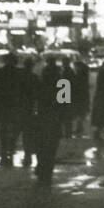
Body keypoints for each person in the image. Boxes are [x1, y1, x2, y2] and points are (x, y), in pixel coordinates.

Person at [34, 56, 66, 186]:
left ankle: (42, 167)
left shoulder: (41, 81)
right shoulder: (63, 82)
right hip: (55, 117)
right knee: (52, 146)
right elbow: (65, 102)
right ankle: (48, 170)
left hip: (42, 116)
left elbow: (35, 98)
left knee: (41, 145)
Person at [0, 52, 28, 167]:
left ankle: (4, 152)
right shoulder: (20, 73)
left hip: (3, 104)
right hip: (16, 104)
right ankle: (11, 150)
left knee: (3, 129)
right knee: (15, 129)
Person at [71, 60, 91, 137]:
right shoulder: (84, 74)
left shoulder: (79, 75)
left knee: (79, 111)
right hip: (84, 95)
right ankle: (80, 127)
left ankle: (79, 128)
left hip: (80, 96)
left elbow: (76, 85)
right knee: (81, 112)